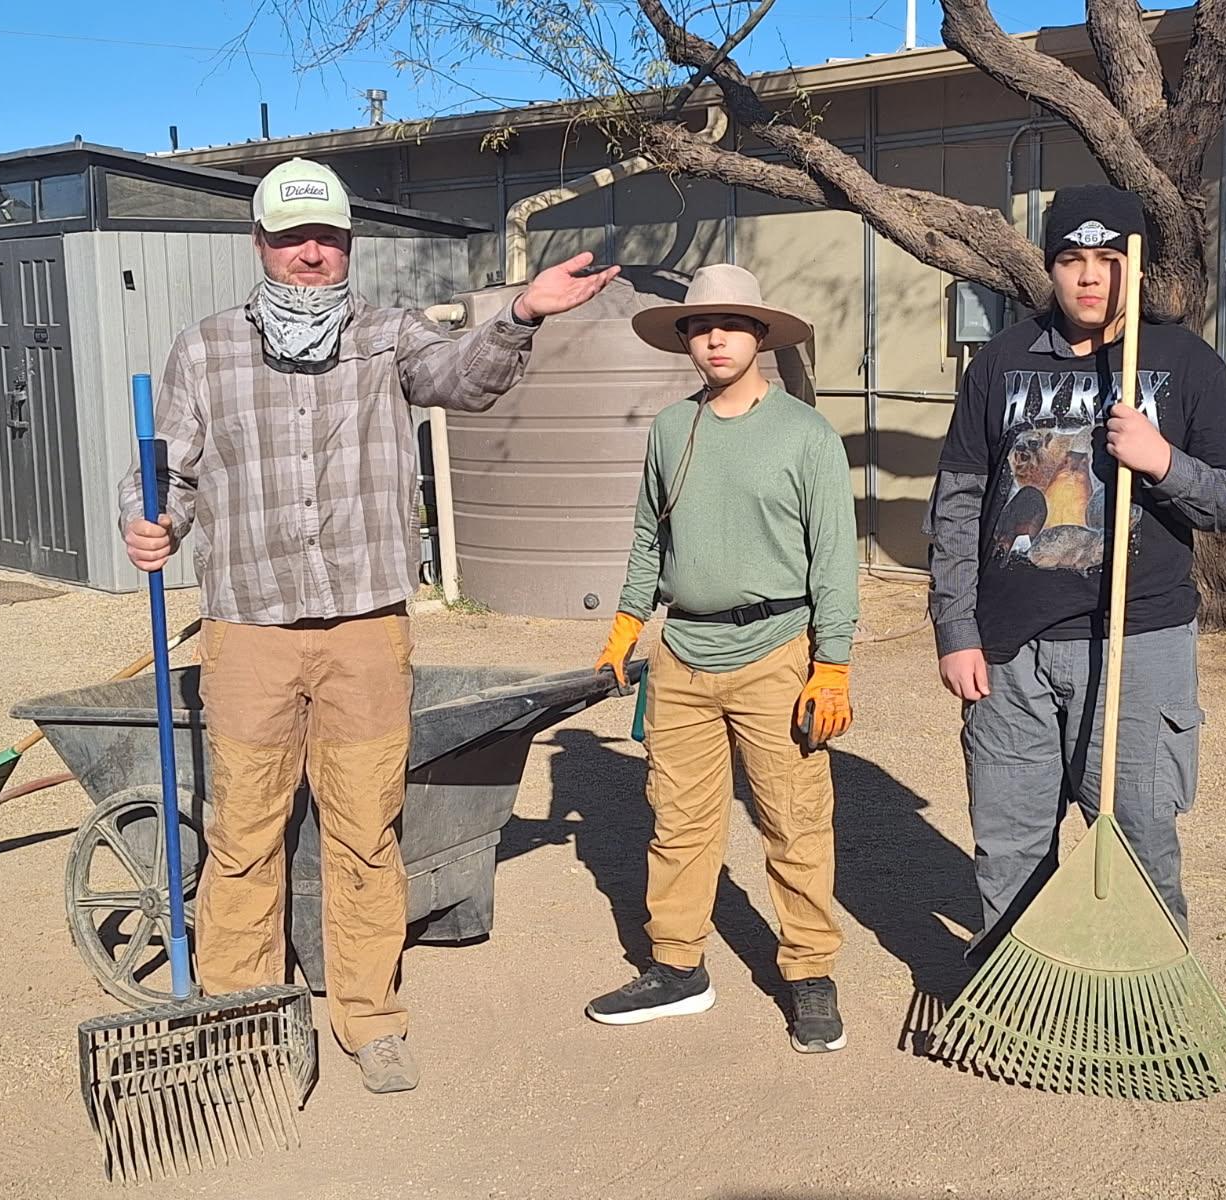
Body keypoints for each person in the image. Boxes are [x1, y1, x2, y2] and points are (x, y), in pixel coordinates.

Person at [117, 156, 616, 1093]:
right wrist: (148, 522)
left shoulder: (390, 338)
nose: (313, 252)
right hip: (250, 628)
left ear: (349, 243)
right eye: (294, 235)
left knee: (363, 826)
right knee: (245, 829)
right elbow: (167, 476)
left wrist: (521, 314)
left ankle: (367, 1014)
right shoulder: (207, 349)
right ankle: (239, 1012)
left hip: (365, 631)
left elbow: (468, 382)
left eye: (330, 236)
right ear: (260, 241)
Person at [926, 183, 1226, 954]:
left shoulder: (1185, 363)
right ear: (1050, 265)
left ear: (1135, 270)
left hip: (1138, 647)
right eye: (1071, 259)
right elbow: (956, 503)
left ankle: (1146, 1005)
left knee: (1140, 840)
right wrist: (955, 627)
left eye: (1108, 260)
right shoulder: (1000, 364)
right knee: (1009, 848)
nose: (1088, 277)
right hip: (1011, 652)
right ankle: (1018, 1006)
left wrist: (1163, 460)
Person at [586, 264, 860, 1053]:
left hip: (779, 650)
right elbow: (649, 539)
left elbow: (833, 559)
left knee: (794, 820)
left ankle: (809, 974)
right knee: (678, 821)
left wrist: (831, 662)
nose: (715, 337)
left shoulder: (806, 435)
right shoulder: (671, 430)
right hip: (682, 654)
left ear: (760, 336)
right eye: (700, 326)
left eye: (732, 325)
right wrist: (626, 627)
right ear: (685, 340)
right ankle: (677, 967)